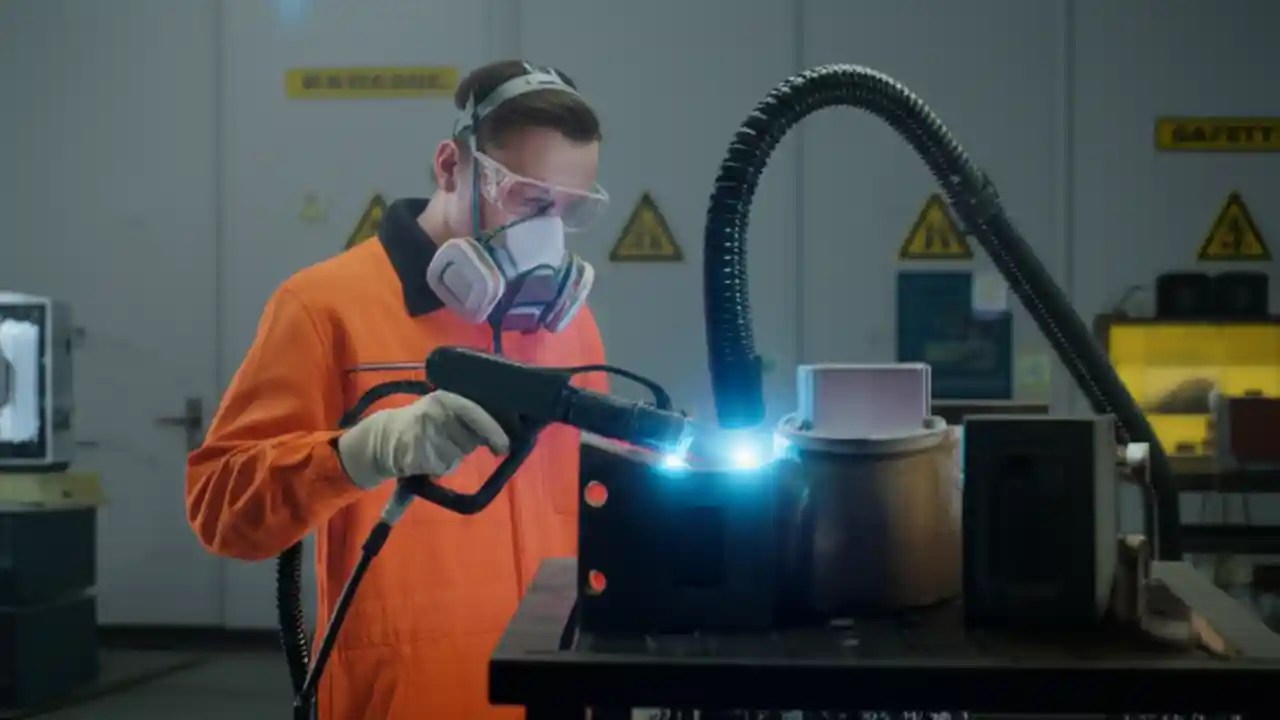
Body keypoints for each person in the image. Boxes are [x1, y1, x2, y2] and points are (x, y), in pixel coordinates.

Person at [186, 59, 611, 719]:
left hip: (556, 700)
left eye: (569, 210)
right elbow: (220, 509)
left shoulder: (571, 325)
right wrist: (358, 453)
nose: (547, 236)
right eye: (529, 201)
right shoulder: (325, 306)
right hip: (405, 702)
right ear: (450, 167)